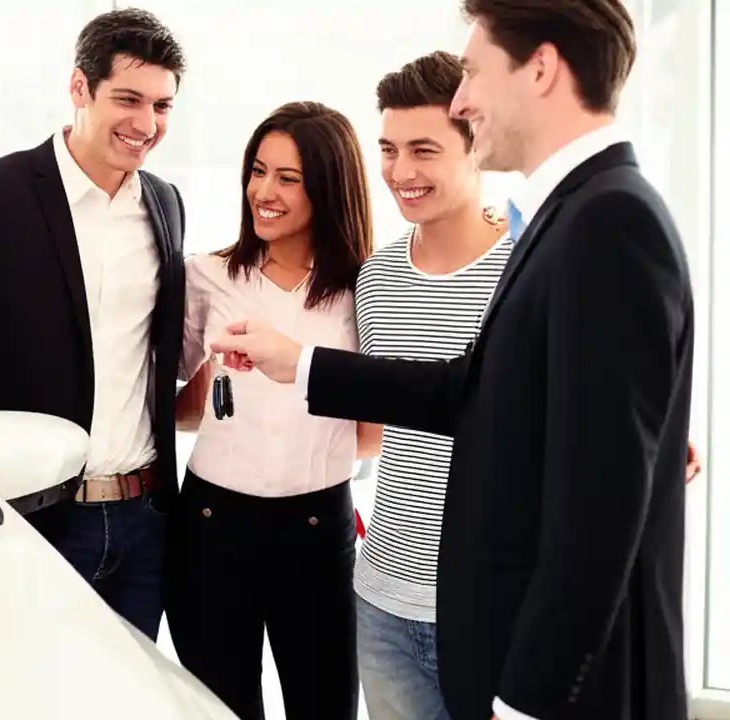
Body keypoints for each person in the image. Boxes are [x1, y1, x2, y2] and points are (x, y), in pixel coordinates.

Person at [208, 2, 693, 718]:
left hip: (539, 665)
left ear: (542, 68)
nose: (465, 98)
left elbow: (598, 519)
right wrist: (300, 363)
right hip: (410, 600)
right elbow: (475, 388)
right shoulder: (573, 213)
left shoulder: (609, 220)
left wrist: (525, 702)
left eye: (473, 71)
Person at [0, 8, 187, 641]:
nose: (146, 124)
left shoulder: (165, 202)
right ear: (80, 88)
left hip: (145, 521)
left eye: (162, 106)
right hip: (38, 523)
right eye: (129, 99)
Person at [168, 101, 380, 720]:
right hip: (210, 525)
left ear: (329, 185)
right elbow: (175, 412)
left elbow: (373, 435)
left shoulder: (365, 286)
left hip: (318, 532)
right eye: (258, 171)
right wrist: (220, 375)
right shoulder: (205, 276)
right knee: (219, 709)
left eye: (288, 178)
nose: (264, 191)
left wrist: (304, 399)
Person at [352, 50, 511, 720]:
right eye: (388, 149)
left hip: (494, 606)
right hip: (382, 603)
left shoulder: (526, 272)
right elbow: (373, 433)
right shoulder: (375, 280)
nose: (399, 172)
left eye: (424, 149)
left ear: (478, 146)